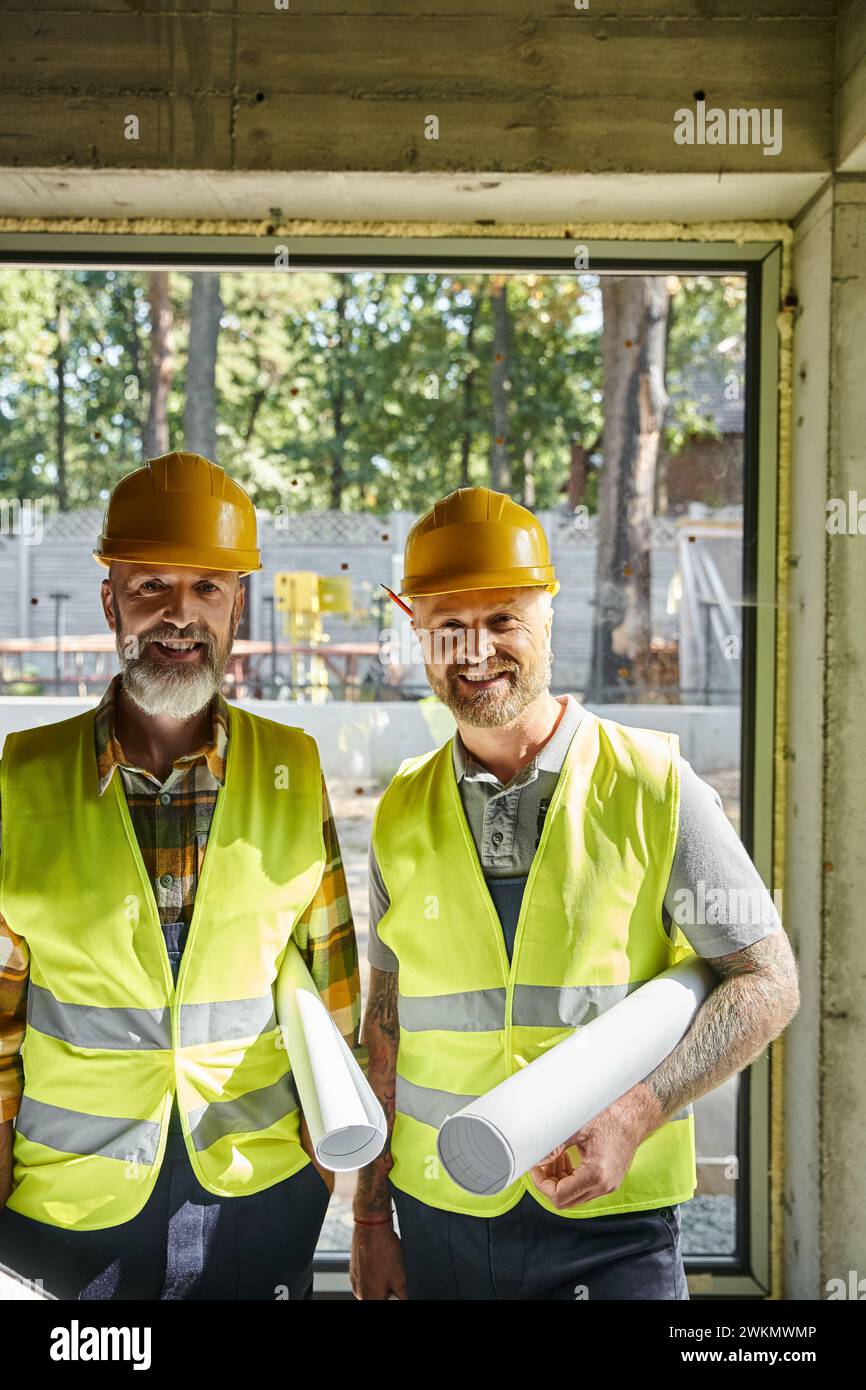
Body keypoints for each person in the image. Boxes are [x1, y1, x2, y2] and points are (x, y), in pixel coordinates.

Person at [351, 485, 799, 1301]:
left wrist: (636, 1111)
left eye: (503, 620)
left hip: (611, 1230)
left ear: (548, 616)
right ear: (414, 629)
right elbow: (386, 1032)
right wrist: (372, 1222)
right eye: (448, 624)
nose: (475, 650)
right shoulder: (401, 808)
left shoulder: (656, 785)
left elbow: (768, 982)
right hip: (440, 1216)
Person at [0, 450, 366, 1300]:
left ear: (238, 606)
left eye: (208, 588)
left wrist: (316, 1191)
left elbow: (336, 1010)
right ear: (109, 602)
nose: (179, 614)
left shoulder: (293, 768)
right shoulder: (21, 778)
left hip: (258, 1206)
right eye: (151, 586)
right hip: (65, 1216)